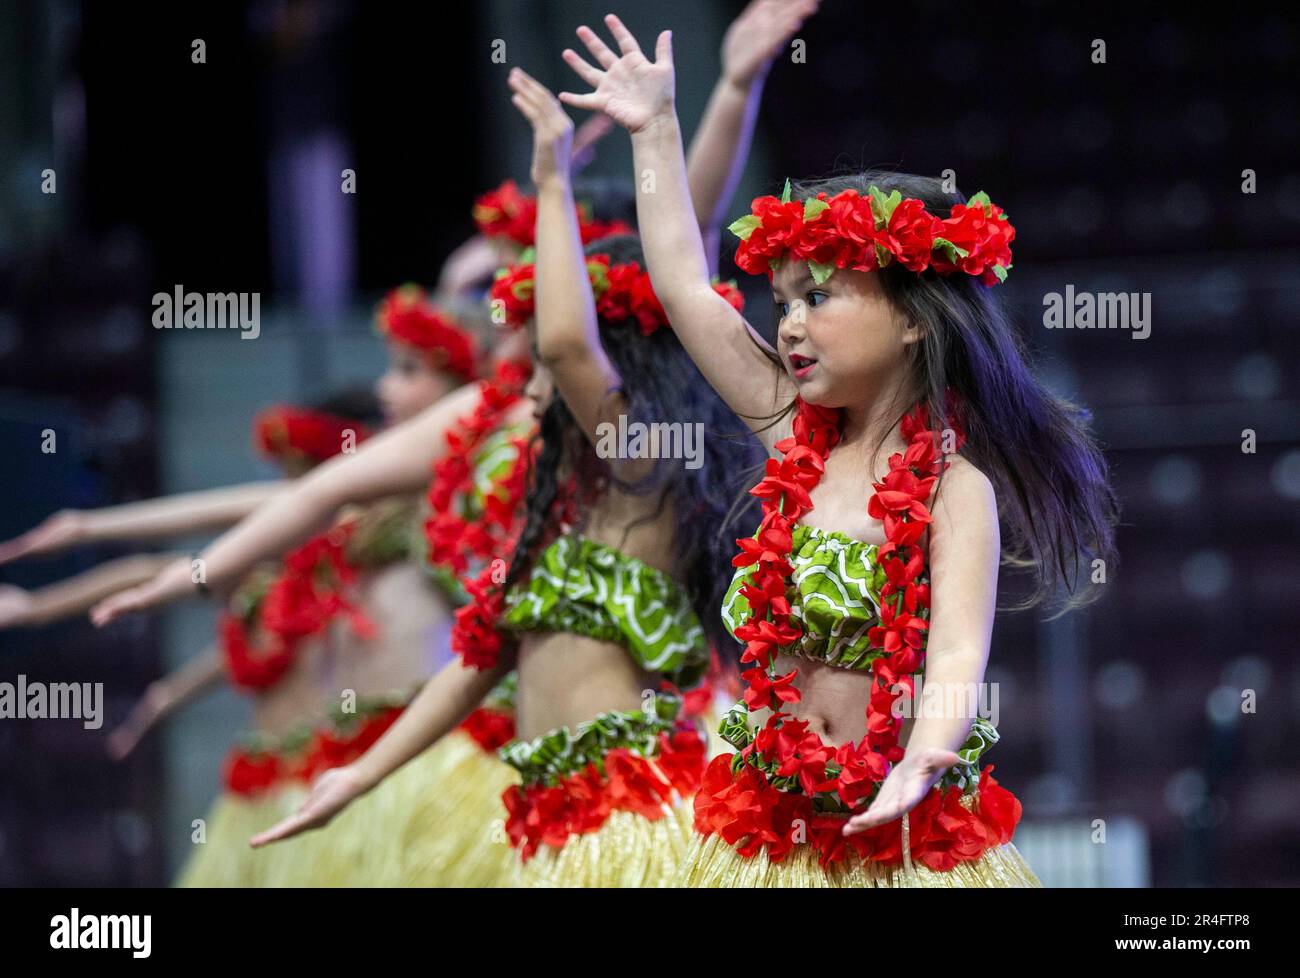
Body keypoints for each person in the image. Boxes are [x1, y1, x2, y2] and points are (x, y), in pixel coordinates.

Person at [558, 13, 1119, 886]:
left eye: (817, 297)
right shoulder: (790, 429)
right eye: (781, 301)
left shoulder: (952, 488)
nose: (788, 325)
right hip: (769, 828)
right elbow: (679, 283)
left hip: (899, 838)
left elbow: (957, 657)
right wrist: (656, 128)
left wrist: (926, 757)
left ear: (908, 319)